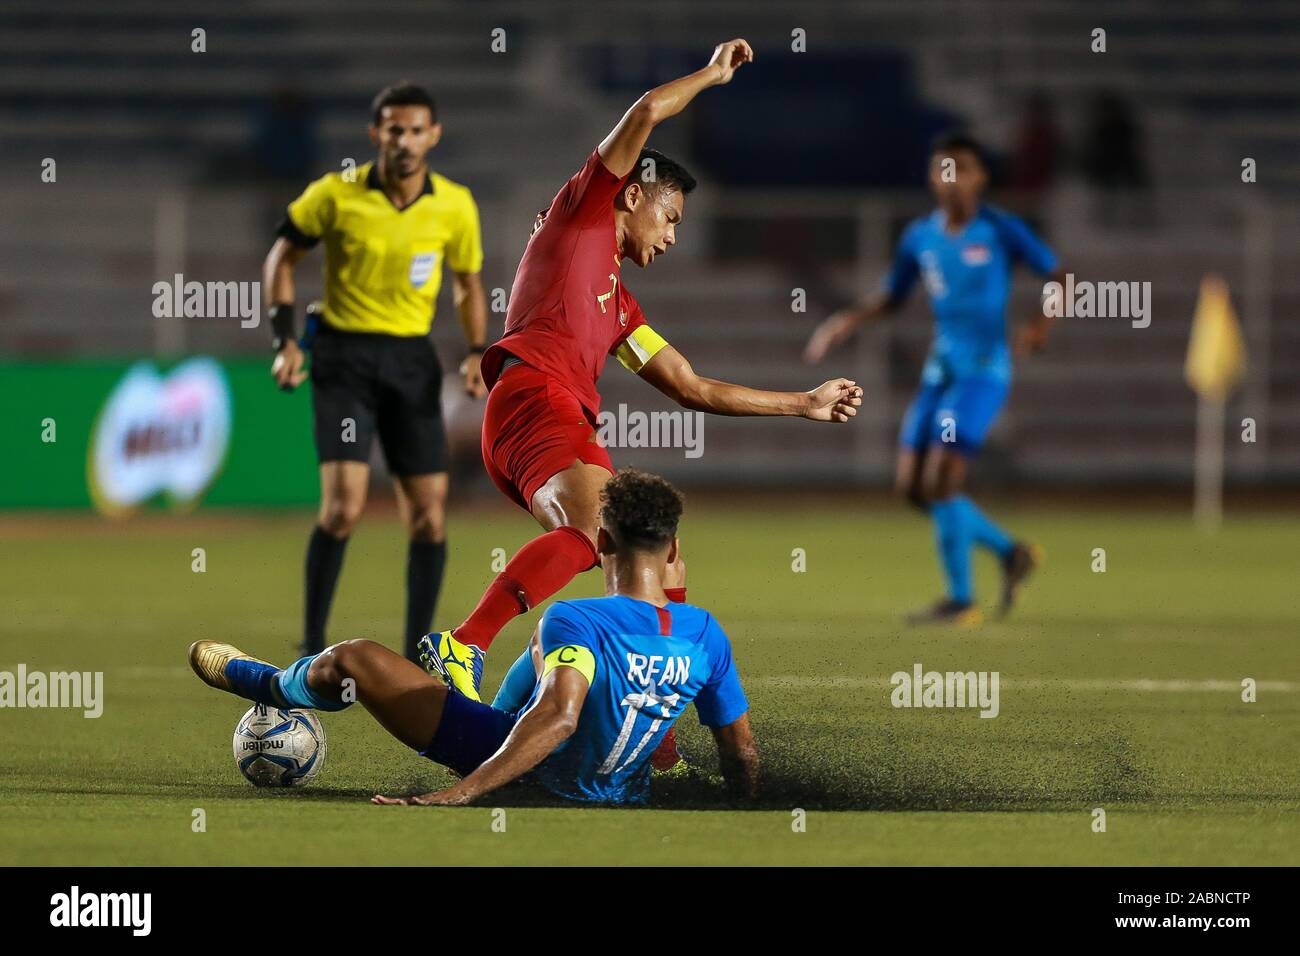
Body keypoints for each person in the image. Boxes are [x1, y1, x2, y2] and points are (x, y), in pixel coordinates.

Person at [418, 40, 862, 759]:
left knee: (662, 557)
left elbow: (691, 386)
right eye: (672, 216)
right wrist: (714, 77)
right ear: (632, 195)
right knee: (600, 533)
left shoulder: (620, 306)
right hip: (534, 398)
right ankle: (462, 643)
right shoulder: (583, 215)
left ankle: (657, 738)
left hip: (563, 419)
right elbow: (650, 110)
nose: (674, 234)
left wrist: (802, 403)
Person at [189, 470, 759, 807]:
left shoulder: (576, 618)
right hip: (628, 786)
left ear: (602, 539)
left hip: (529, 769)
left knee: (357, 658)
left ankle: (258, 680)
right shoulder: (706, 633)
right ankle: (480, 698)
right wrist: (741, 804)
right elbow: (740, 751)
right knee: (546, 659)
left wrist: (460, 794)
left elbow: (559, 719)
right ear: (674, 549)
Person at [263, 81, 489, 662]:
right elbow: (281, 258)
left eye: (416, 130)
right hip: (344, 359)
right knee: (343, 507)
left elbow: (467, 283)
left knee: (429, 515)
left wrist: (474, 351)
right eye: (394, 129)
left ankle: (418, 652)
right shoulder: (335, 195)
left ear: (433, 135)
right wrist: (286, 342)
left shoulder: (454, 204)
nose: (405, 140)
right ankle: (312, 644)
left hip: (411, 361)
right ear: (376, 134)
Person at [805, 132, 1065, 625]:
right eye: (941, 168)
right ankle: (1010, 552)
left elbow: (1060, 275)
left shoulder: (1001, 229)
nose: (951, 177)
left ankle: (960, 599)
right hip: (940, 370)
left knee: (941, 480)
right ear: (931, 178)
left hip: (983, 373)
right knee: (911, 488)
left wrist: (1039, 324)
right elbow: (894, 295)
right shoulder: (920, 236)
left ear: (980, 176)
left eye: (961, 167)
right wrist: (846, 320)